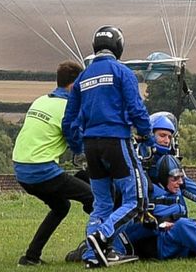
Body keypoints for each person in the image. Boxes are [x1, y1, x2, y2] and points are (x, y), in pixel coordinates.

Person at [65, 25, 153, 267]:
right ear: (119, 47)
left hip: (91, 146)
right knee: (137, 199)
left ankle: (93, 255)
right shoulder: (121, 71)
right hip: (116, 141)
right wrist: (147, 135)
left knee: (102, 202)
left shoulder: (83, 77)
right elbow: (136, 108)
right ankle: (102, 236)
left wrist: (76, 146)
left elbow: (69, 120)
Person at [16, 61, 95, 266]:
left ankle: (31, 257)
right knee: (94, 198)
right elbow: (77, 146)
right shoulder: (68, 108)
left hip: (22, 170)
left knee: (61, 206)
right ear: (75, 84)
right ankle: (96, 248)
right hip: (41, 170)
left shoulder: (41, 101)